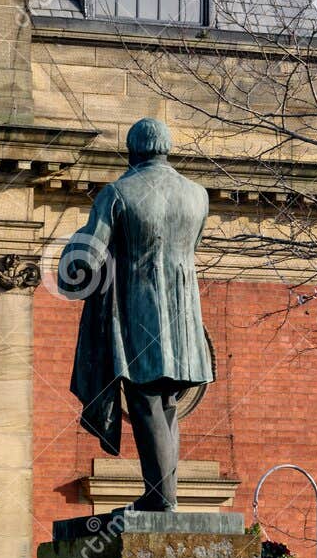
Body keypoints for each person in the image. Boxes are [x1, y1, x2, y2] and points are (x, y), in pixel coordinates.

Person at [58, 117, 213, 512]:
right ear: (167, 148)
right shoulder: (198, 195)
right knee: (167, 403)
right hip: (183, 313)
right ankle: (164, 494)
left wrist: (71, 259)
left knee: (145, 399)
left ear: (132, 151)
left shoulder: (117, 193)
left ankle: (161, 498)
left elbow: (89, 255)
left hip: (139, 310)